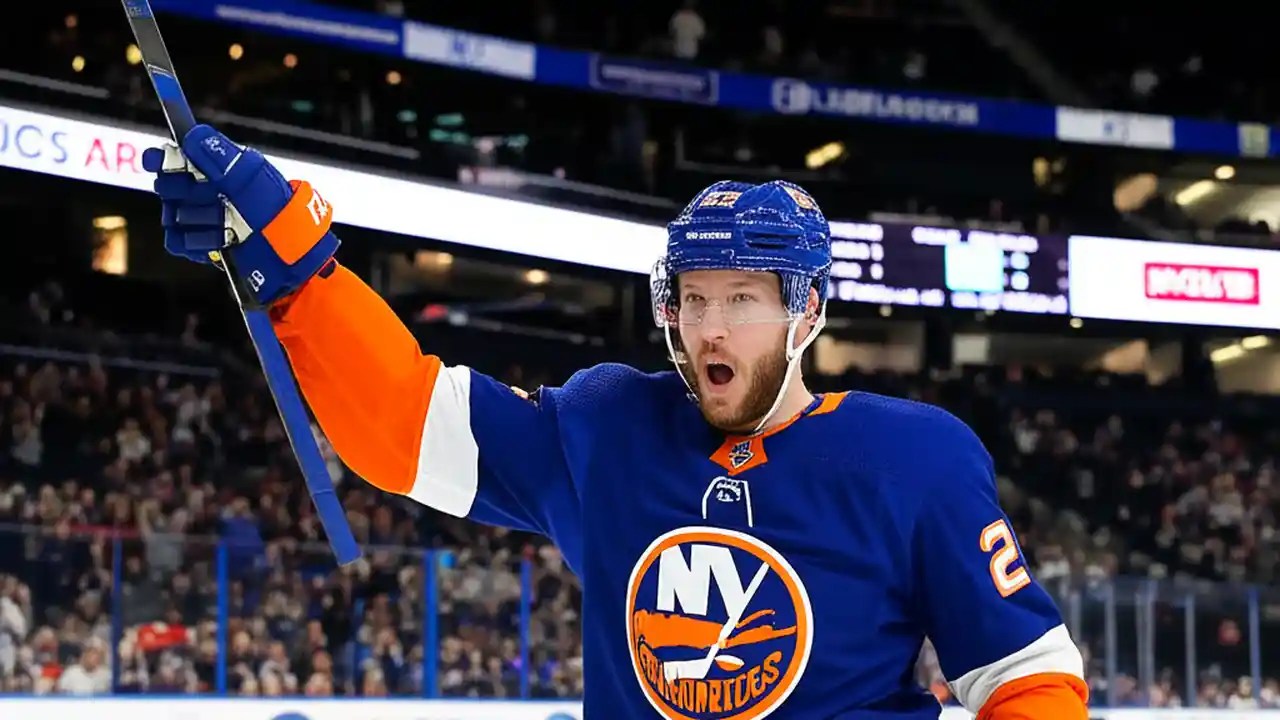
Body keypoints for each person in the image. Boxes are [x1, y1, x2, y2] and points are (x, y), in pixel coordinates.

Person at [142, 127, 1089, 719]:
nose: (711, 327)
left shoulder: (913, 459)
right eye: (695, 298)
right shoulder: (607, 427)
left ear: (808, 314)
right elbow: (402, 424)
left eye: (745, 299)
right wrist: (296, 266)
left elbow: (1027, 673)